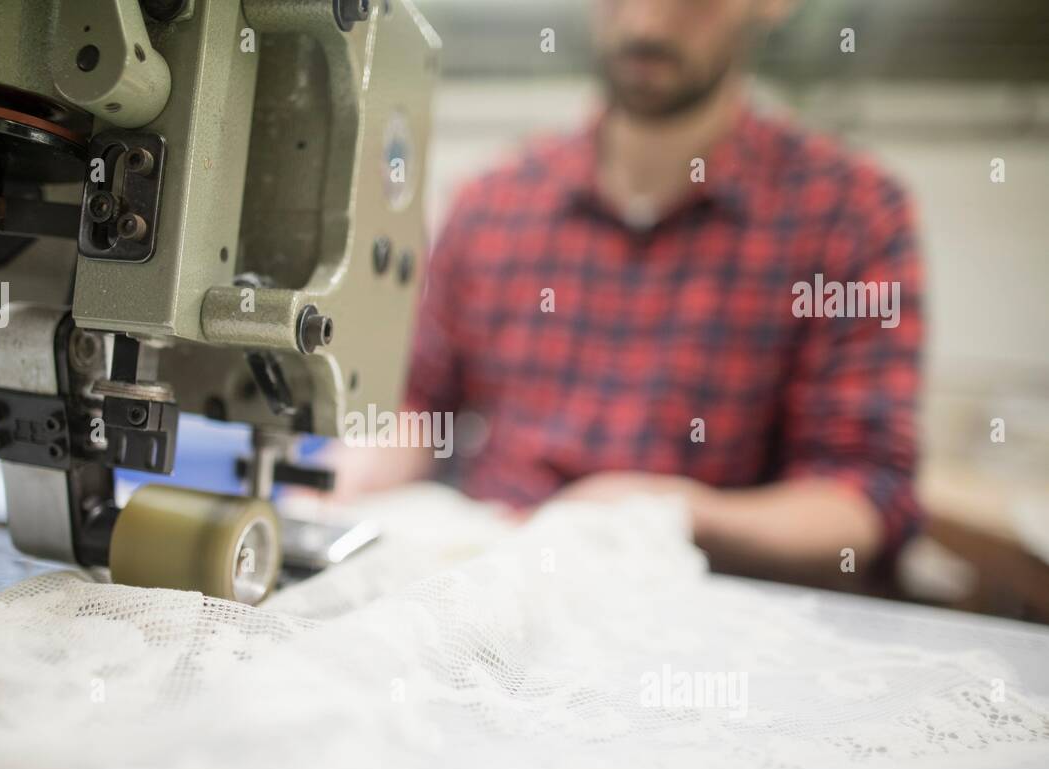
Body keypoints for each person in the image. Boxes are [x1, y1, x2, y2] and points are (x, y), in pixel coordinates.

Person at [335, 0, 923, 586]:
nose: (645, 22)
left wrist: (667, 513)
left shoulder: (849, 215)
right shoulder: (493, 202)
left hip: (696, 623)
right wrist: (354, 474)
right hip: (489, 585)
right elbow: (419, 403)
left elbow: (863, 497)